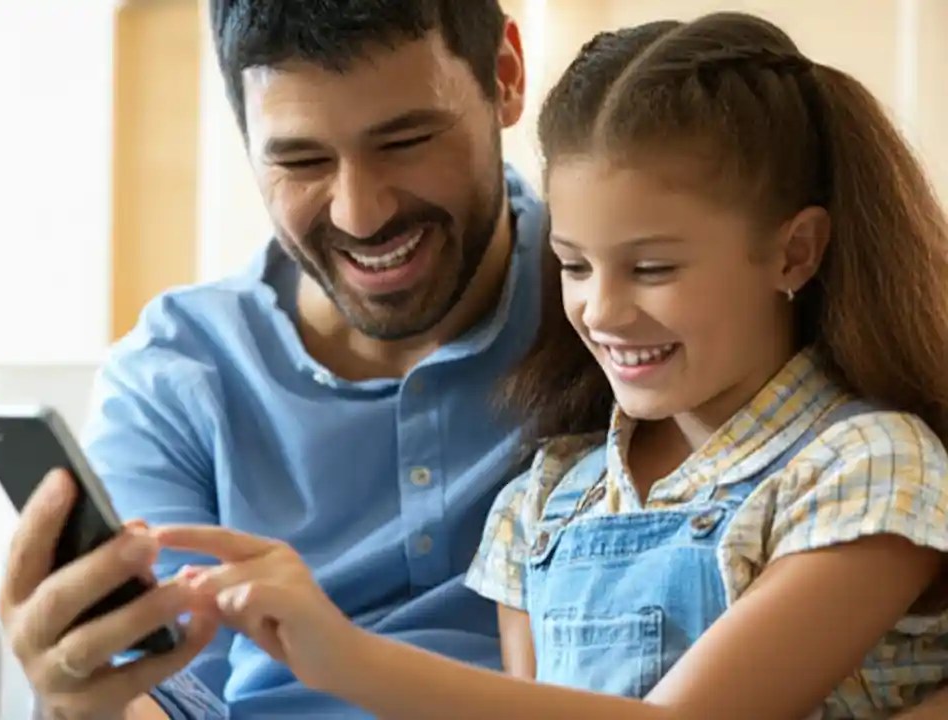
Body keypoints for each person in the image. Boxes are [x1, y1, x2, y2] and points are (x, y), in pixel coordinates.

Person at [0, 2, 550, 718]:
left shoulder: (622, 302)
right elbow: (166, 695)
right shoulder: (180, 370)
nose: (360, 213)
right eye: (302, 160)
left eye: (405, 141)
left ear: (504, 76)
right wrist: (80, 696)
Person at [151, 11, 948, 720]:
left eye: (652, 269)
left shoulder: (871, 470)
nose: (600, 311)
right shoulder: (544, 505)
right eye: (572, 266)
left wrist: (347, 659)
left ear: (793, 251)